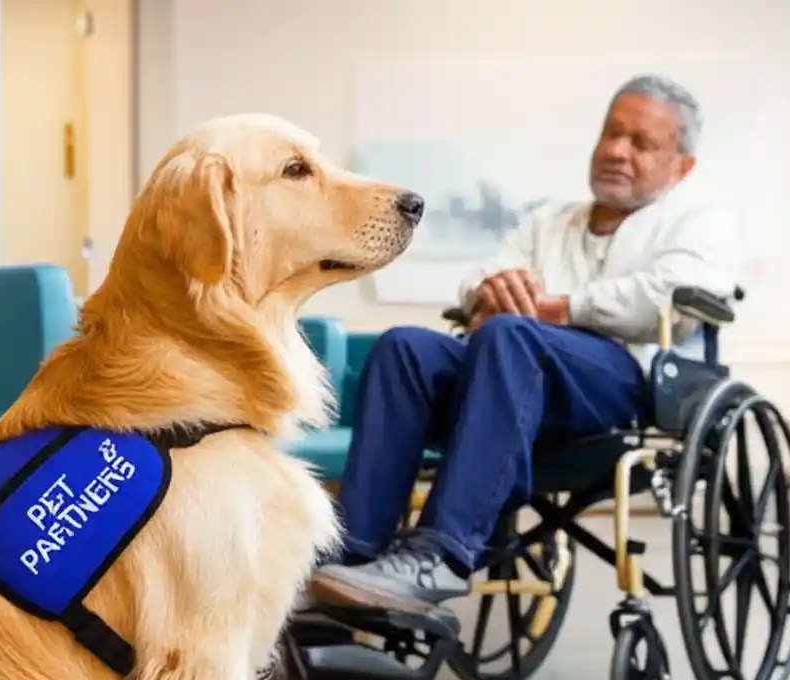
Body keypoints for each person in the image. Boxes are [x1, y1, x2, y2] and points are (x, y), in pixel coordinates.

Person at [309, 74, 739, 614]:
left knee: (511, 334)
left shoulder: (698, 222)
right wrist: (485, 291)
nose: (616, 151)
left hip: (627, 383)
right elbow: (482, 277)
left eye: (641, 143)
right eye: (611, 133)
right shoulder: (549, 223)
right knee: (405, 349)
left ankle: (440, 554)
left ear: (682, 166)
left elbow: (668, 296)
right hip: (512, 375)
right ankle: (350, 554)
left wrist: (561, 307)